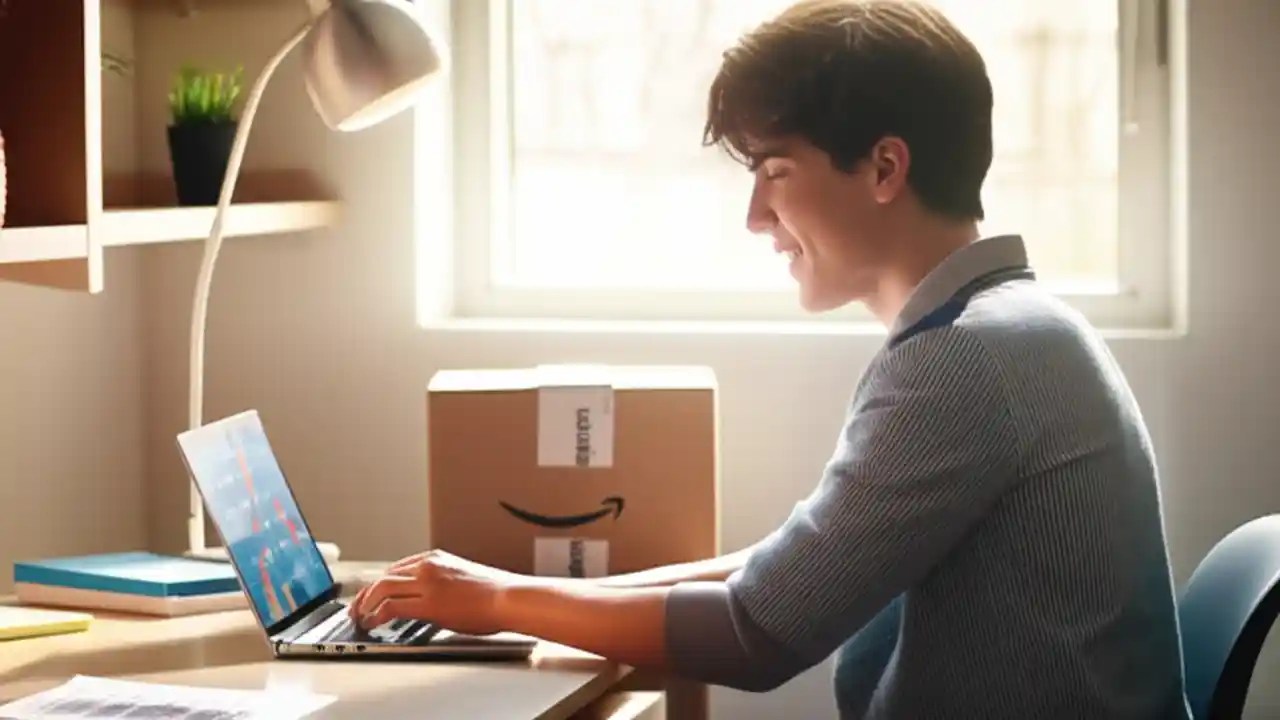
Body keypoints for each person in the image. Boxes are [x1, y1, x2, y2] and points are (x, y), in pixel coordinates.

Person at [350, 1, 1192, 717]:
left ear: (885, 168)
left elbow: (759, 633)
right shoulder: (1005, 331)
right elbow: (786, 568)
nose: (756, 216)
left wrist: (501, 602)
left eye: (776, 171)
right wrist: (509, 597)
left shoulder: (968, 361)